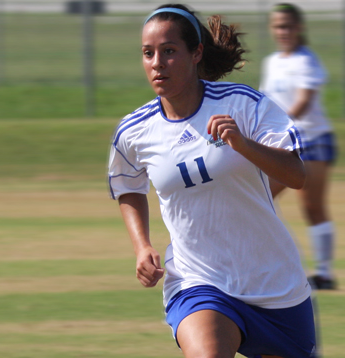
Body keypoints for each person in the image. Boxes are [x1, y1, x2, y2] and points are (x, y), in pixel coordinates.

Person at [107, 4, 317, 358]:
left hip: (273, 283)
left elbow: (296, 175)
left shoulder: (244, 104)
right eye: (148, 53)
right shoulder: (134, 131)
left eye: (169, 51)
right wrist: (141, 245)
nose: (157, 63)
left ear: (196, 53)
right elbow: (127, 184)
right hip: (198, 282)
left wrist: (243, 145)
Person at [259, 3, 337, 290]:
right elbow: (265, 104)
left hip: (313, 141)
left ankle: (325, 274)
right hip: (284, 144)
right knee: (260, 199)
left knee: (312, 206)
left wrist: (281, 124)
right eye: (279, 26)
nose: (284, 32)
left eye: (289, 26)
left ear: (300, 28)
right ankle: (272, 267)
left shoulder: (307, 61)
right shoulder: (272, 62)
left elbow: (303, 102)